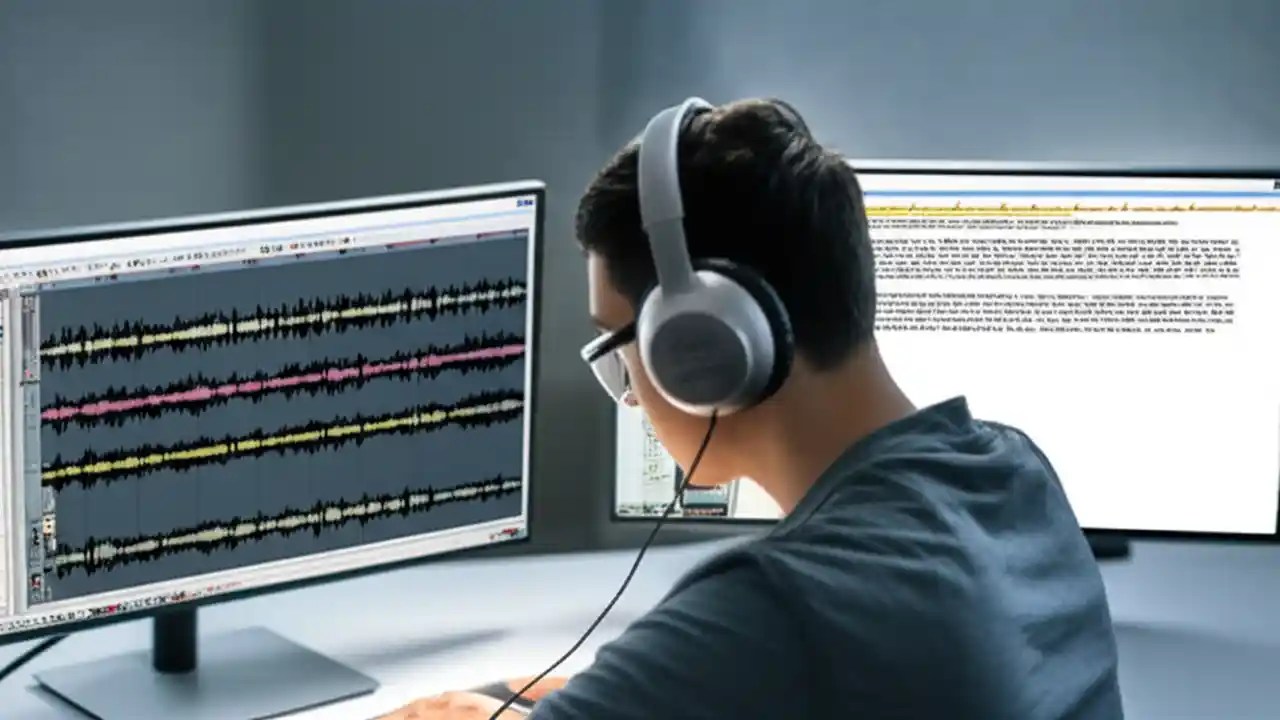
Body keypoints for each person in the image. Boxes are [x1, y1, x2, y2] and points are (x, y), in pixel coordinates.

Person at [379, 98, 1124, 719]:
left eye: (620, 343)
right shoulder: (1015, 471)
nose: (632, 393)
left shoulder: (779, 604)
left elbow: (772, 645)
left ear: (700, 345)